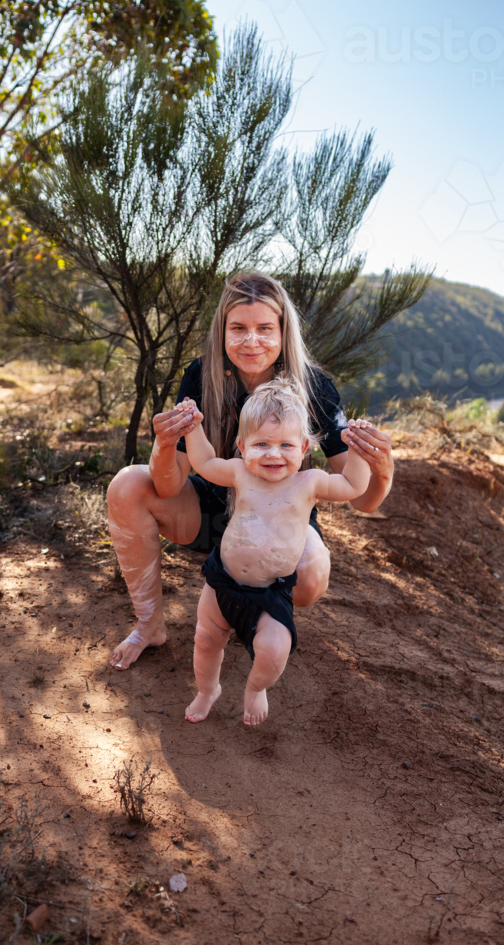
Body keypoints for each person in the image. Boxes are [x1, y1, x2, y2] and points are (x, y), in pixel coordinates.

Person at [106, 271, 394, 671]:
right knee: (128, 484)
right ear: (222, 330)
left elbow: (360, 498)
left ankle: (254, 611)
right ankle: (149, 625)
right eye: (238, 328)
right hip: (211, 514)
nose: (251, 341)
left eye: (264, 328)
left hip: (282, 521)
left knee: (309, 575)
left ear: (282, 330)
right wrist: (165, 443)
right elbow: (168, 484)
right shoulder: (201, 376)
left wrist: (382, 469)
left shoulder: (313, 389)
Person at [174, 377, 370, 725]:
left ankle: (255, 688)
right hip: (222, 582)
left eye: (285, 445)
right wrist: (192, 427)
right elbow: (203, 462)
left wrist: (358, 450)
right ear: (241, 445)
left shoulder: (308, 483)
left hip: (270, 593)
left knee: (274, 651)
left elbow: (354, 486)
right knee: (206, 639)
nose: (273, 453)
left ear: (304, 446)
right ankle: (207, 690)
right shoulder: (239, 473)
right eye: (261, 443)